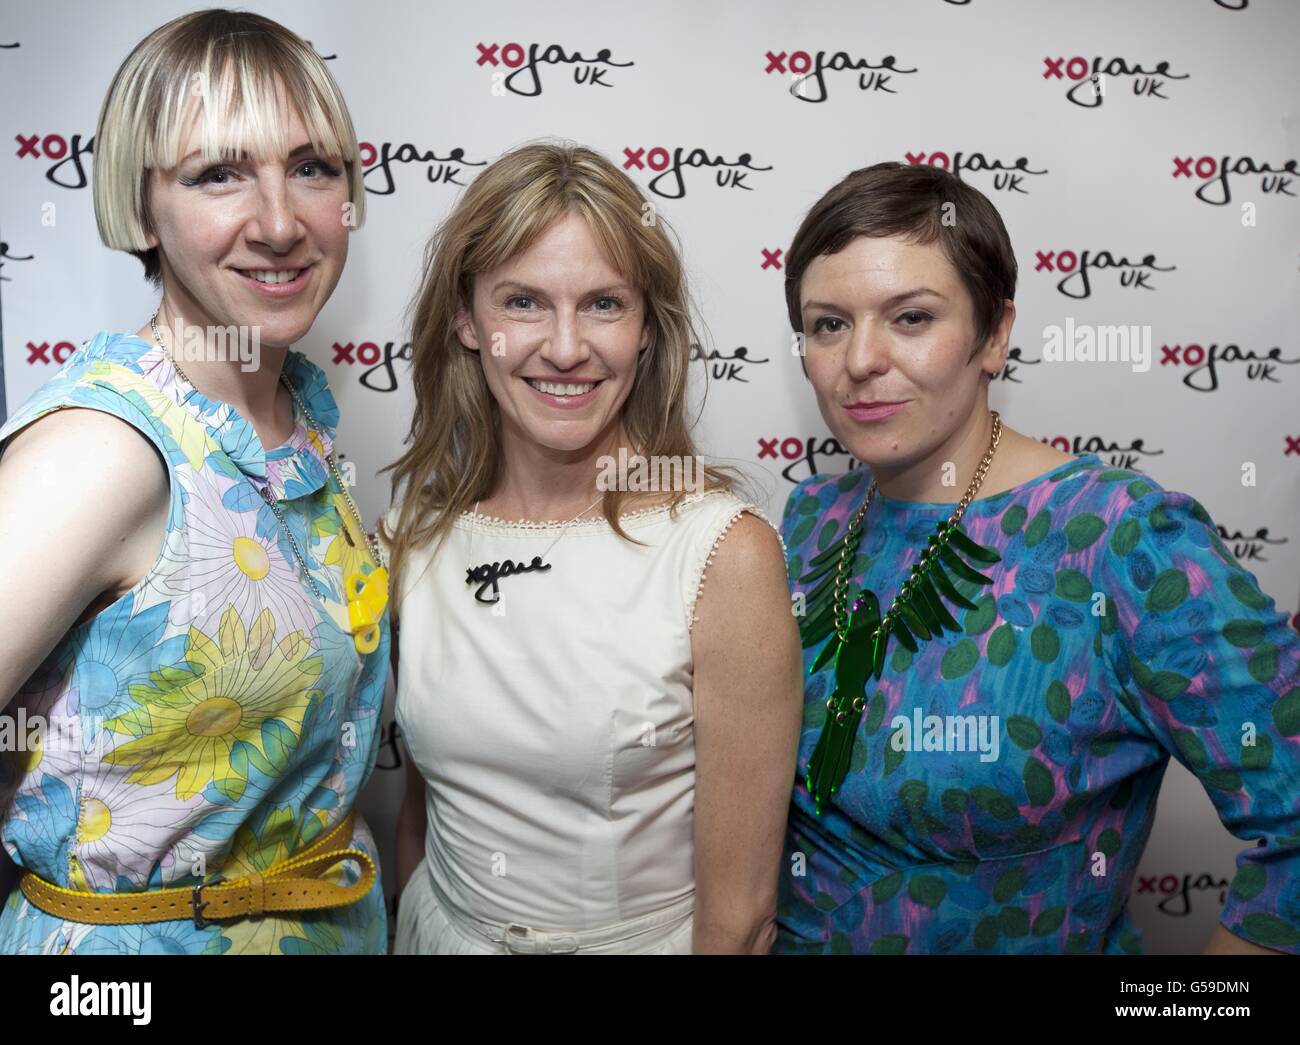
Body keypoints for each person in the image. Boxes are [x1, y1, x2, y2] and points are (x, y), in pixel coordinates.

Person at [772, 161, 1300, 955]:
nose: (860, 360)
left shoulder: (1121, 537)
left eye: (911, 318)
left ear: (994, 334)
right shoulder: (811, 522)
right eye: (828, 324)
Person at [0, 9, 390, 954]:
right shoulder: (104, 449)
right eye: (219, 174)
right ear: (142, 208)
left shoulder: (297, 413)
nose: (281, 222)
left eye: (312, 167)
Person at [380, 142, 803, 954]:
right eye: (524, 302)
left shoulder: (722, 554)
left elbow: (740, 917)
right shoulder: (418, 540)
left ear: (646, 330)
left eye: (604, 304)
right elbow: (424, 818)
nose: (567, 347)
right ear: (467, 319)